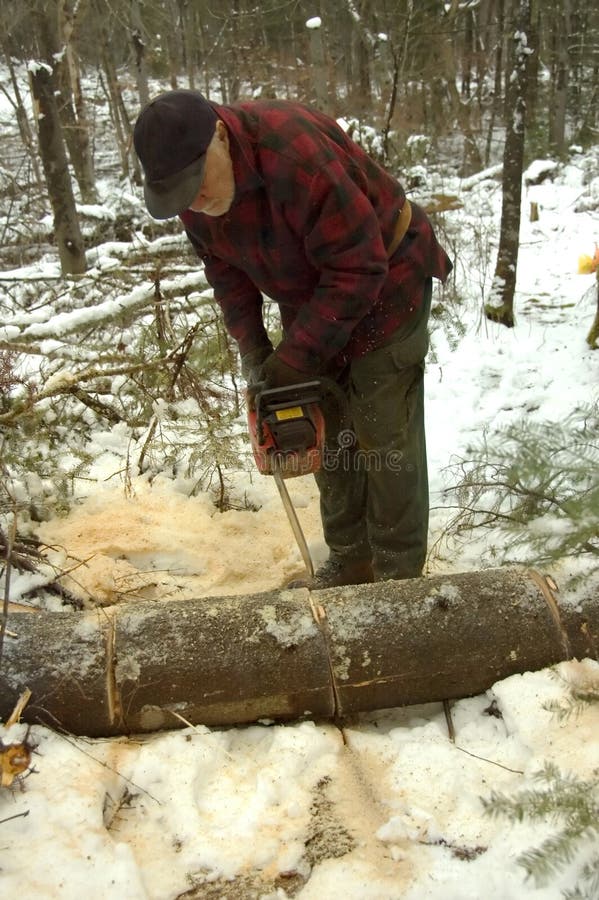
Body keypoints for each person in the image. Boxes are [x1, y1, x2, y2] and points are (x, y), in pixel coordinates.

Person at [133, 89, 452, 588]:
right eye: (180, 196)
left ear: (220, 134)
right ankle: (350, 560)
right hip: (311, 294)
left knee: (382, 428)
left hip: (387, 276)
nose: (194, 203)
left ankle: (397, 580)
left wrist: (297, 358)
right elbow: (227, 276)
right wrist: (257, 353)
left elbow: (359, 267)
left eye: (197, 184)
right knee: (319, 421)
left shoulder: (293, 150)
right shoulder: (192, 199)